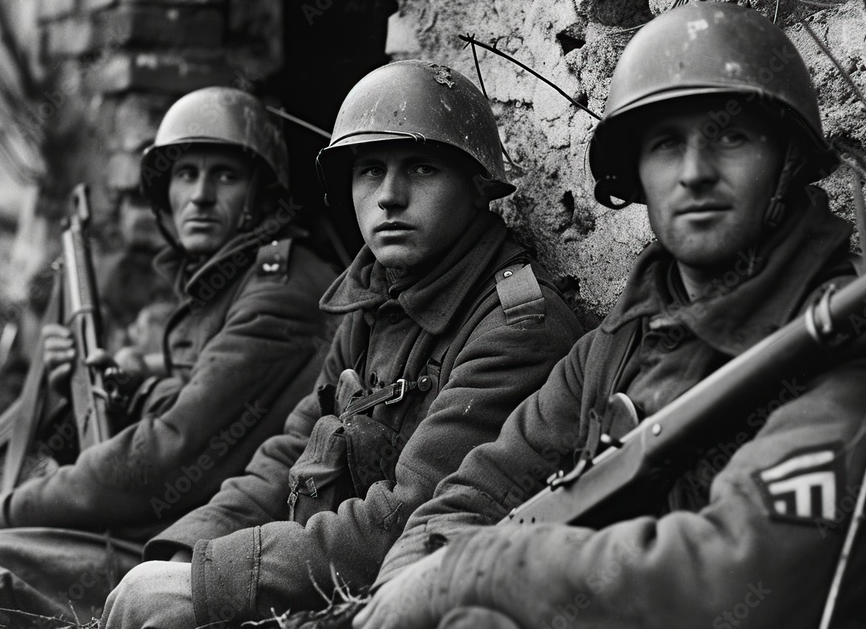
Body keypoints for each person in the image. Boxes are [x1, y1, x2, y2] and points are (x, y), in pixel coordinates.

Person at [353, 2, 866, 629]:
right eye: (668, 144)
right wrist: (412, 581)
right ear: (636, 173)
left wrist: (472, 572)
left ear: (789, 162)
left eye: (731, 136)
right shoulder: (620, 343)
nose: (695, 173)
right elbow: (477, 490)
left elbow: (734, 583)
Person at [99, 60, 584, 628]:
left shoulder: (517, 327)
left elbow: (408, 518)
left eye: (423, 169)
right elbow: (285, 457)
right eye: (370, 171)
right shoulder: (371, 303)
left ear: (479, 188)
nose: (389, 197)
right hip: (324, 577)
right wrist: (190, 550)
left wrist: (211, 579)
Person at [0, 87, 338, 622]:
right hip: (160, 525)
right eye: (186, 176)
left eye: (225, 176)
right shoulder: (220, 286)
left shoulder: (279, 290)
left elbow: (168, 457)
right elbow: (183, 417)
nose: (201, 196)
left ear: (262, 195)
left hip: (192, 549)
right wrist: (75, 401)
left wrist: (3, 507)